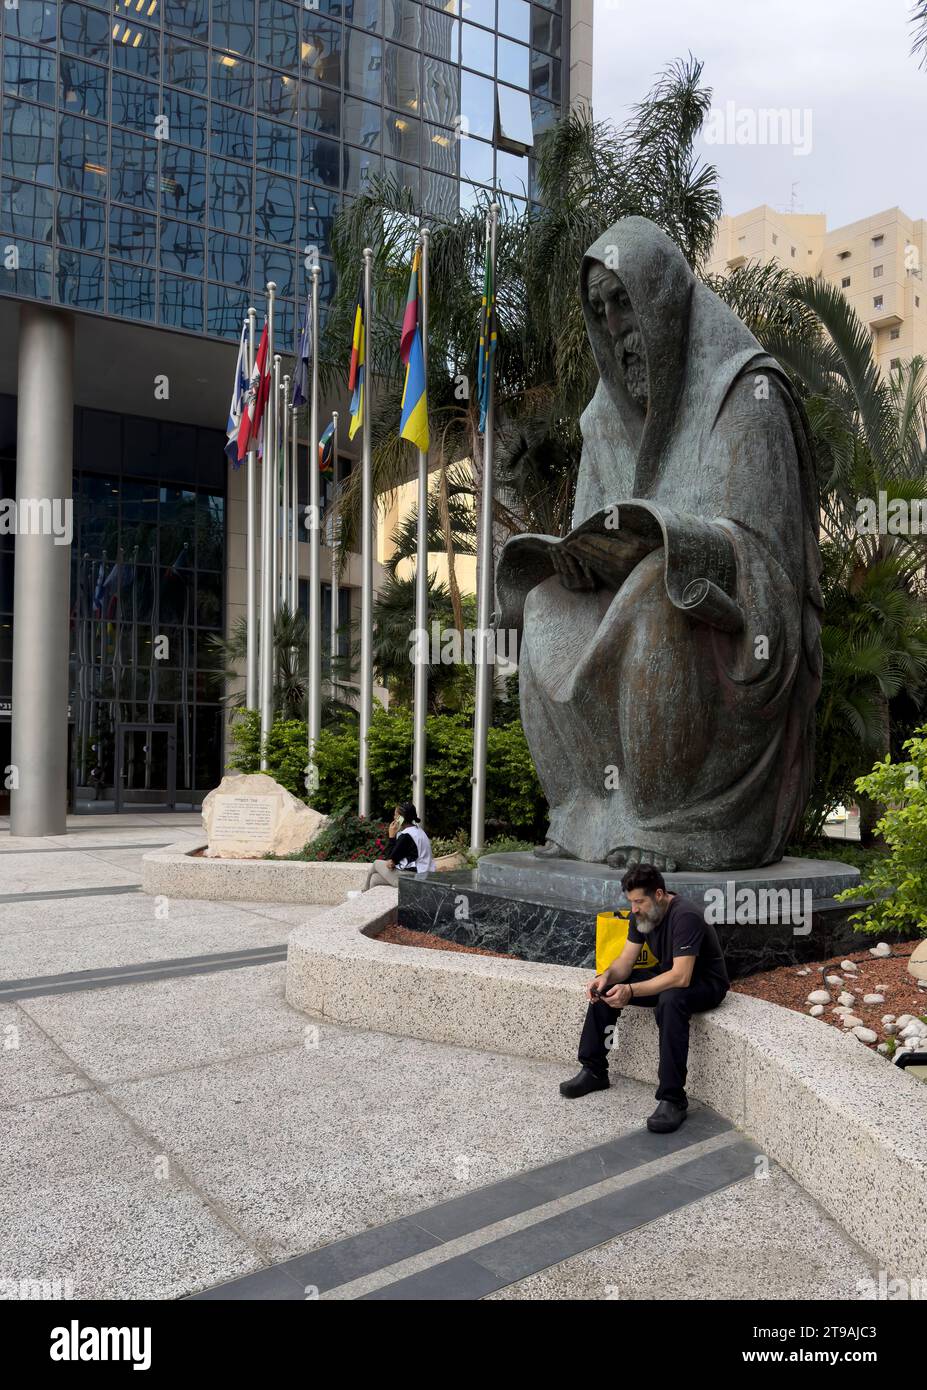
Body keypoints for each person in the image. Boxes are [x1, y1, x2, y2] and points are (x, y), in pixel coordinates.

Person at [560, 862, 730, 1133]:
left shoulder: (685, 916)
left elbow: (682, 977)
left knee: (671, 1001)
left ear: (659, 895)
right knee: (606, 989)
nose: (634, 907)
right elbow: (626, 963)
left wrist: (631, 992)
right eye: (631, 901)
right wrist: (606, 977)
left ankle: (673, 1099)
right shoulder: (640, 916)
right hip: (670, 974)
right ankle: (594, 1071)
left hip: (705, 983)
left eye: (639, 901)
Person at [361, 801, 435, 891]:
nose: (394, 817)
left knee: (376, 863)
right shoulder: (418, 831)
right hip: (423, 876)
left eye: (396, 815)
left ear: (401, 818)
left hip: (414, 879)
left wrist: (391, 837)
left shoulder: (406, 836)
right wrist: (392, 861)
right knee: (375, 879)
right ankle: (366, 900)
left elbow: (390, 860)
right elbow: (396, 858)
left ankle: (363, 891)